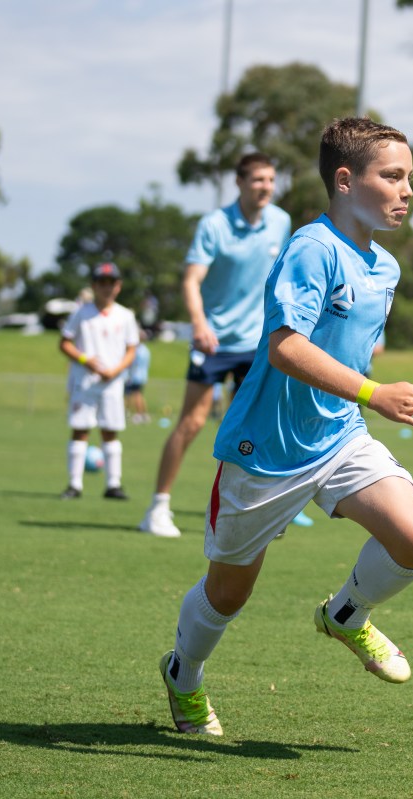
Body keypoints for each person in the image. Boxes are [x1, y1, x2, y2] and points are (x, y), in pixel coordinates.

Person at [157, 117, 413, 737]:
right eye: (392, 176)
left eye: (410, 179)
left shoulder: (386, 269)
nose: (406, 191)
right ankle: (184, 673)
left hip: (339, 437)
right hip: (263, 451)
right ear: (345, 181)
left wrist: (364, 396)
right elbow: (287, 347)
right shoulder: (311, 247)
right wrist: (377, 394)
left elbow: (347, 354)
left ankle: (346, 614)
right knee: (228, 595)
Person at [138, 153, 292, 538]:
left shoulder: (281, 222)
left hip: (259, 343)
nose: (265, 187)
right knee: (190, 423)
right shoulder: (215, 225)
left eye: (271, 180)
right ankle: (157, 508)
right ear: (239, 183)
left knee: (260, 428)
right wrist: (199, 324)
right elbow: (191, 281)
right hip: (214, 341)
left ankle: (257, 509)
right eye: (258, 180)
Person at [58, 262, 140, 500]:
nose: (107, 287)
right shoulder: (81, 313)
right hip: (85, 382)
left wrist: (115, 370)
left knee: (110, 431)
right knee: (80, 429)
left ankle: (113, 484)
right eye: (102, 283)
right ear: (94, 286)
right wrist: (86, 360)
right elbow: (65, 343)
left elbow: (131, 349)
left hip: (112, 384)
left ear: (118, 286)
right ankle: (74, 484)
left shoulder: (125, 315)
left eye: (111, 283)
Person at [125, 330, 152, 424]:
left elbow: (131, 362)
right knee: (137, 395)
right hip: (141, 376)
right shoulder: (145, 350)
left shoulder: (139, 350)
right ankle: (142, 414)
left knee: (137, 395)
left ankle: (139, 414)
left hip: (136, 376)